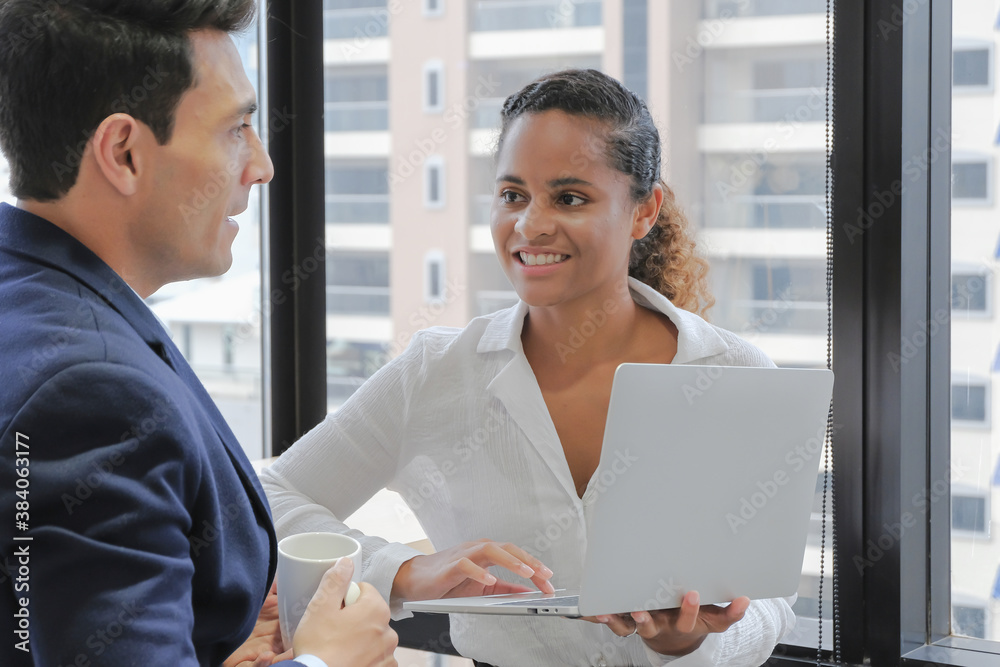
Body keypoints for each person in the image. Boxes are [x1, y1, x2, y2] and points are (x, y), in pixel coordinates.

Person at [261, 68, 795, 667]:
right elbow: (270, 497)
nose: (531, 224)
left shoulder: (734, 372)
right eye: (514, 195)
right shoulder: (437, 371)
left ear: (644, 211)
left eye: (569, 197)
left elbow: (772, 603)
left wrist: (691, 642)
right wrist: (402, 571)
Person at [0, 2, 397, 666]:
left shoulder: (33, 288)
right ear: (123, 151)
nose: (263, 165)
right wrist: (326, 661)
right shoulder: (93, 392)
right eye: (237, 127)